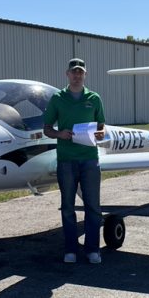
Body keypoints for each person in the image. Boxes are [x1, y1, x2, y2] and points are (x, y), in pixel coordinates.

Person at [43, 58, 106, 264]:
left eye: (80, 72)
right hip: (67, 160)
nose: (77, 75)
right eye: (73, 72)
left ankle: (92, 249)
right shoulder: (57, 98)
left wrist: (100, 134)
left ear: (85, 75)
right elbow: (47, 128)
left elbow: (101, 125)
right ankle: (70, 249)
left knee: (93, 206)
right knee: (68, 206)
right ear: (67, 74)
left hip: (89, 159)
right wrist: (59, 134)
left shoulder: (94, 98)